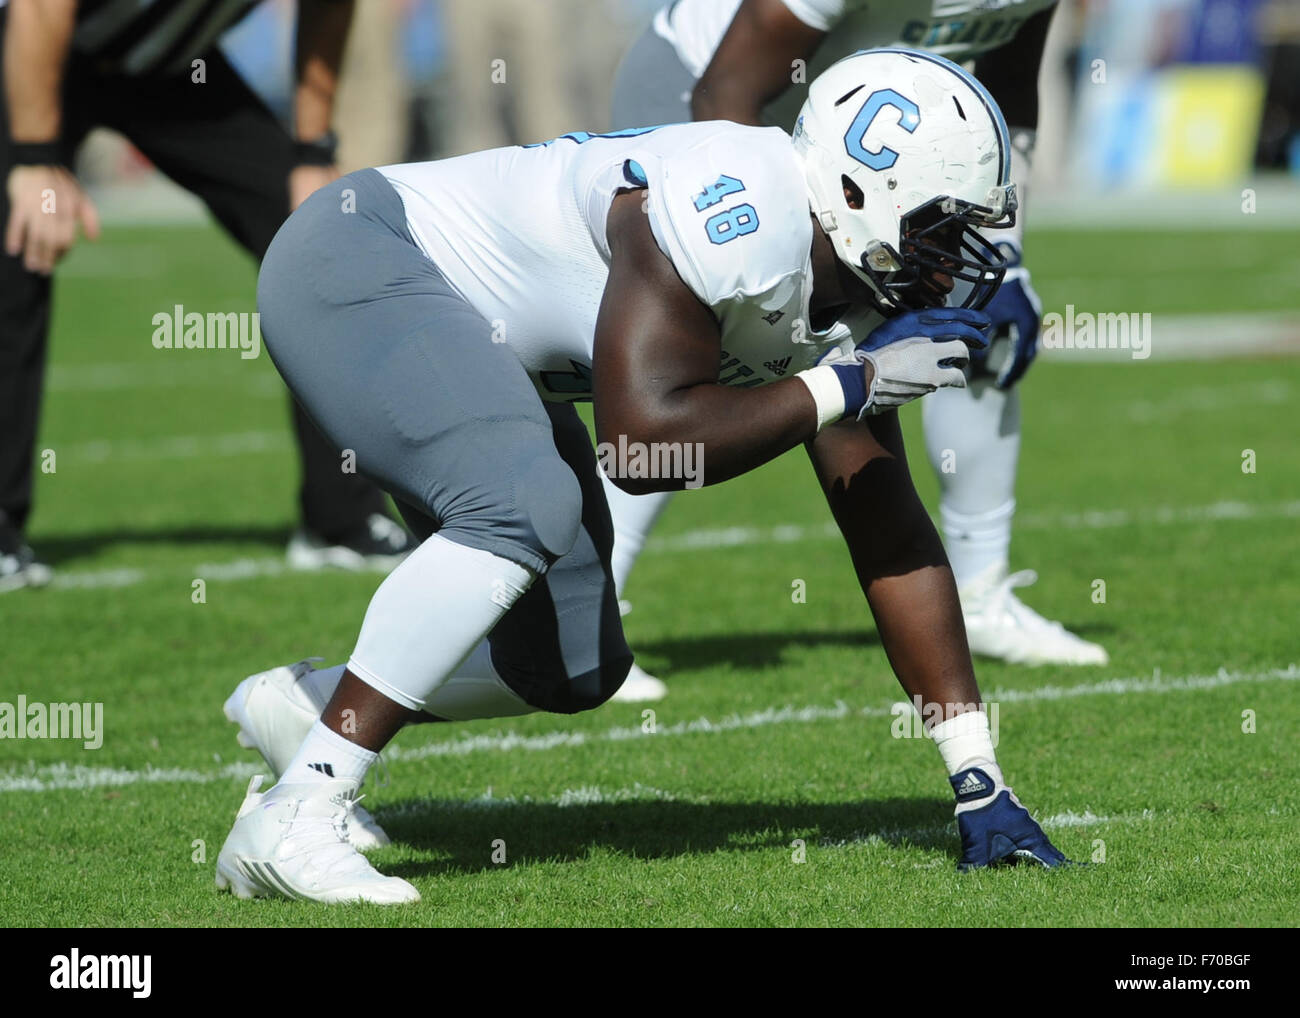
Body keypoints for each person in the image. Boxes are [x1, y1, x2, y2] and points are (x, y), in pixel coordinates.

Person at [215, 49, 1072, 904]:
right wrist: (847, 384)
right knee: (523, 505)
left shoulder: (844, 284)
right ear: (857, 194)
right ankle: (298, 811)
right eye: (938, 227)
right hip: (364, 260)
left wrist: (977, 776)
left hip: (475, 340)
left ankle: (311, 705)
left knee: (574, 665)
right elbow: (638, 443)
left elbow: (886, 528)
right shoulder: (736, 211)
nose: (953, 259)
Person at [604, 0, 1105, 703]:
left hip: (873, 128)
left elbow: (1009, 84)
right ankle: (591, 612)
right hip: (717, 94)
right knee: (702, 345)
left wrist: (1006, 252)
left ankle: (984, 594)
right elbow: (724, 91)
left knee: (977, 323)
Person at [0, 0, 414, 593]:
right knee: (16, 248)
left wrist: (311, 150)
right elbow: (42, 7)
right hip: (43, 51)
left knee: (322, 240)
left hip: (175, 69)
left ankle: (341, 518)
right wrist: (34, 161)